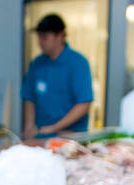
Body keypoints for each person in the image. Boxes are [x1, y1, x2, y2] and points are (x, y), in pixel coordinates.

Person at [21, 13, 93, 143]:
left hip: (71, 138)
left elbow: (84, 104)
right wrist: (29, 127)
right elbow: (29, 98)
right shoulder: (37, 64)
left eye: (44, 37)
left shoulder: (78, 63)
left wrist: (54, 128)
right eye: (39, 37)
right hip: (41, 138)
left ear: (60, 36)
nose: (40, 42)